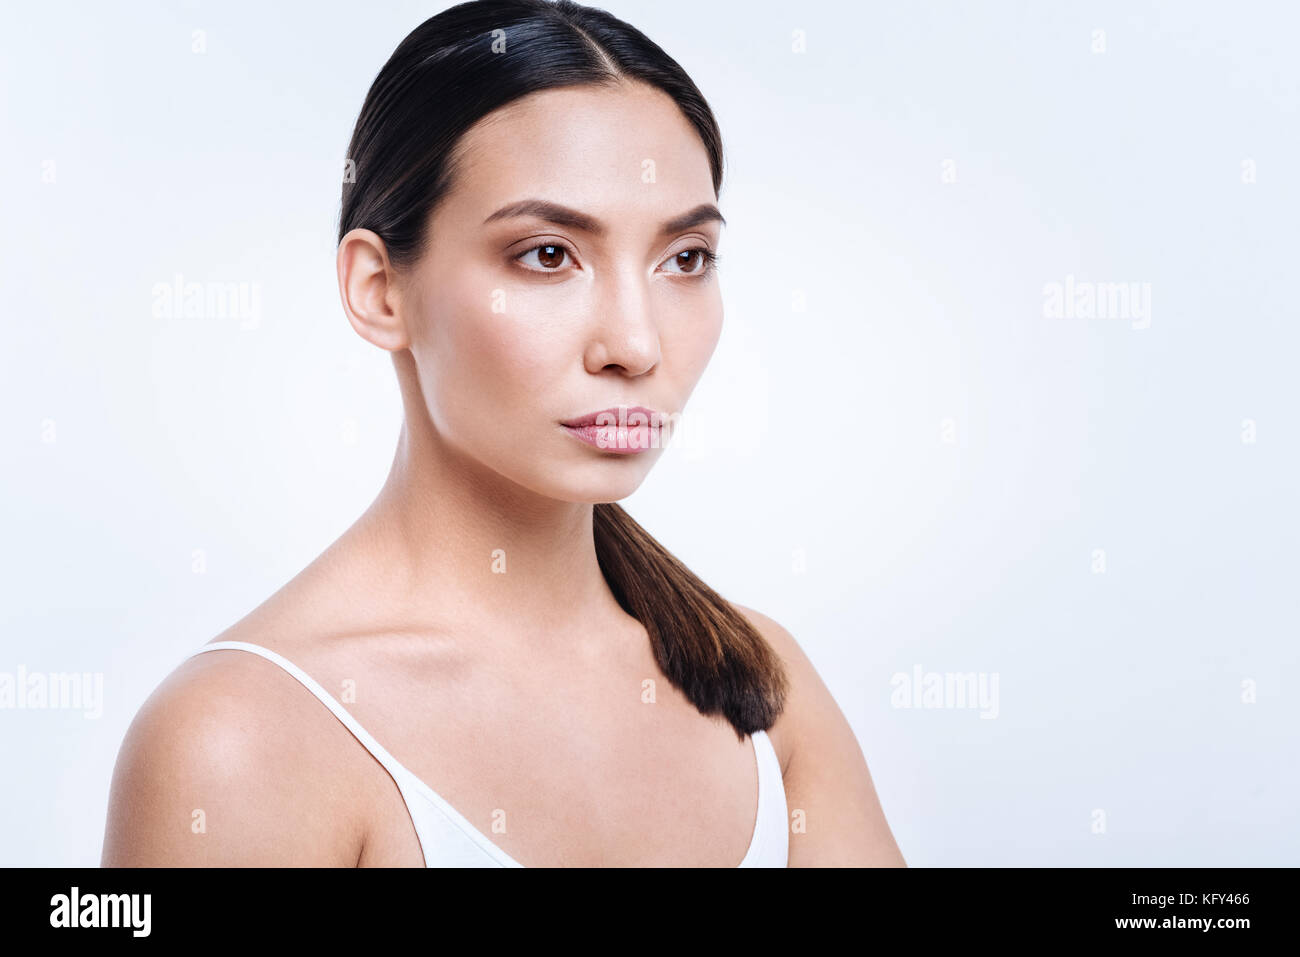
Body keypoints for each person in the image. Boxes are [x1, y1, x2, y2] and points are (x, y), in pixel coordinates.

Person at [101, 0, 905, 867]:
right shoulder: (239, 740)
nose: (636, 344)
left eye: (685, 259)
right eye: (548, 254)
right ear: (380, 289)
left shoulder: (760, 692)